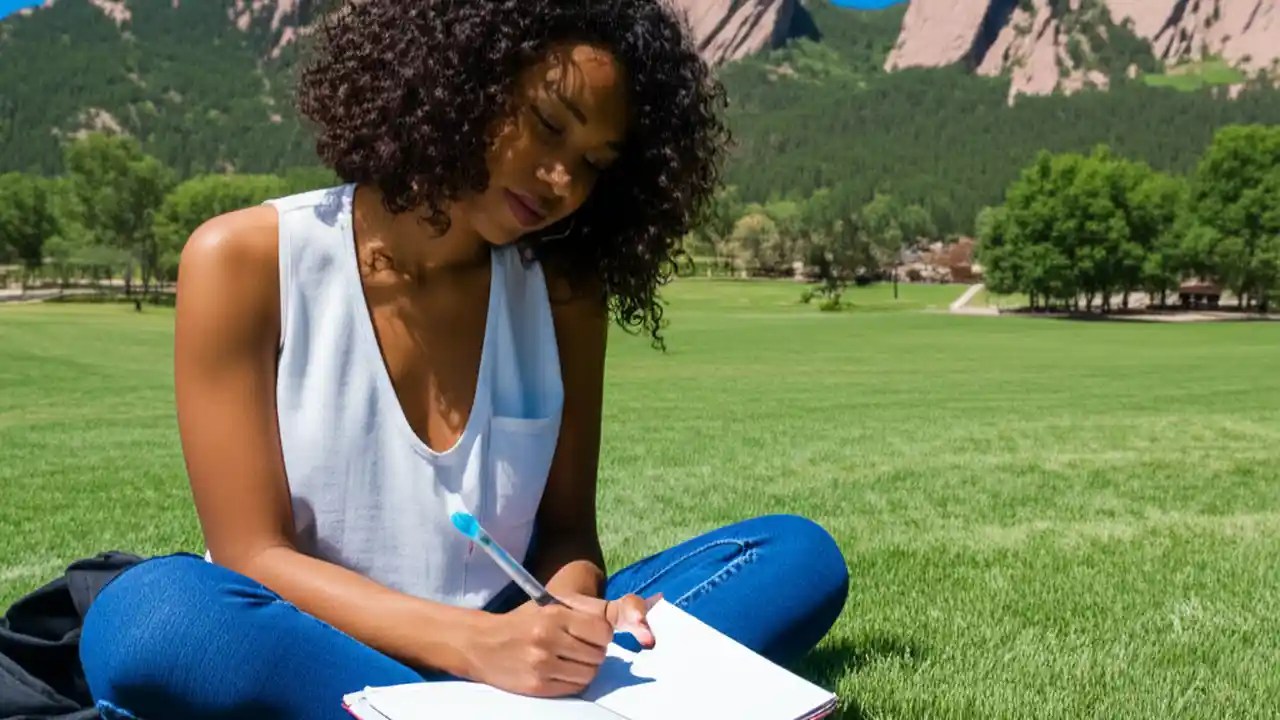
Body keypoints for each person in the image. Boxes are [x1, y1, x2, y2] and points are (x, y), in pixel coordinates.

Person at [77, 1, 850, 718]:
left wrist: (574, 607)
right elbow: (253, 555)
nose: (563, 183)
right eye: (548, 125)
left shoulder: (566, 295)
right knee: (155, 616)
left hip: (515, 641)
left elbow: (568, 532)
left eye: (594, 163)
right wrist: (470, 647)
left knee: (793, 557)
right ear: (460, 78)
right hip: (317, 639)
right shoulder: (243, 260)